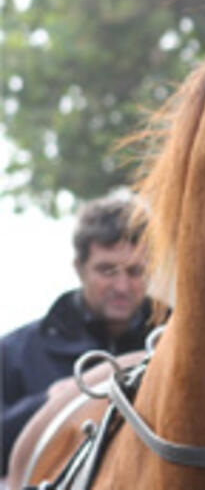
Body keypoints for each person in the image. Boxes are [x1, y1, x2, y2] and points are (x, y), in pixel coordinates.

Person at [1, 196, 156, 475]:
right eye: (107, 270)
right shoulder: (14, 352)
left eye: (135, 271)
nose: (122, 286)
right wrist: (49, 403)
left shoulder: (177, 347)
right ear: (79, 268)